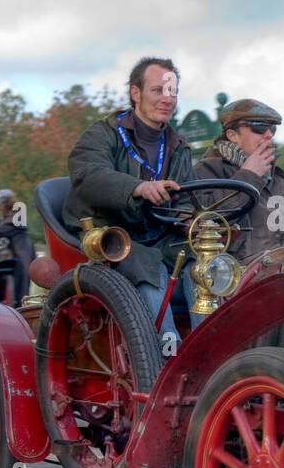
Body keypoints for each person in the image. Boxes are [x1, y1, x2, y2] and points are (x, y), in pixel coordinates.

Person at [63, 57, 193, 347]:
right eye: (158, 90)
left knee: (204, 265)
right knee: (147, 264)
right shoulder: (102, 134)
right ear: (136, 94)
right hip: (107, 235)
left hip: (158, 235)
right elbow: (87, 175)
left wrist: (191, 220)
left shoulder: (179, 146)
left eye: (172, 92)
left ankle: (212, 356)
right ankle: (168, 359)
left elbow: (186, 198)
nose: (167, 99)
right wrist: (139, 188)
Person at [194, 98, 284, 260]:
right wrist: (249, 175)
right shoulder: (206, 171)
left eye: (271, 128)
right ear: (232, 135)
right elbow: (207, 222)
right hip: (236, 278)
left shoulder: (279, 179)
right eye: (260, 127)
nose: (269, 134)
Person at [0, 189, 36, 306]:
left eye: (0, 204)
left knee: (22, 282)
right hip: (15, 251)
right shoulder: (8, 215)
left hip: (23, 251)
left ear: (5, 203)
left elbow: (3, 230)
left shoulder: (17, 214)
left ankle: (21, 310)